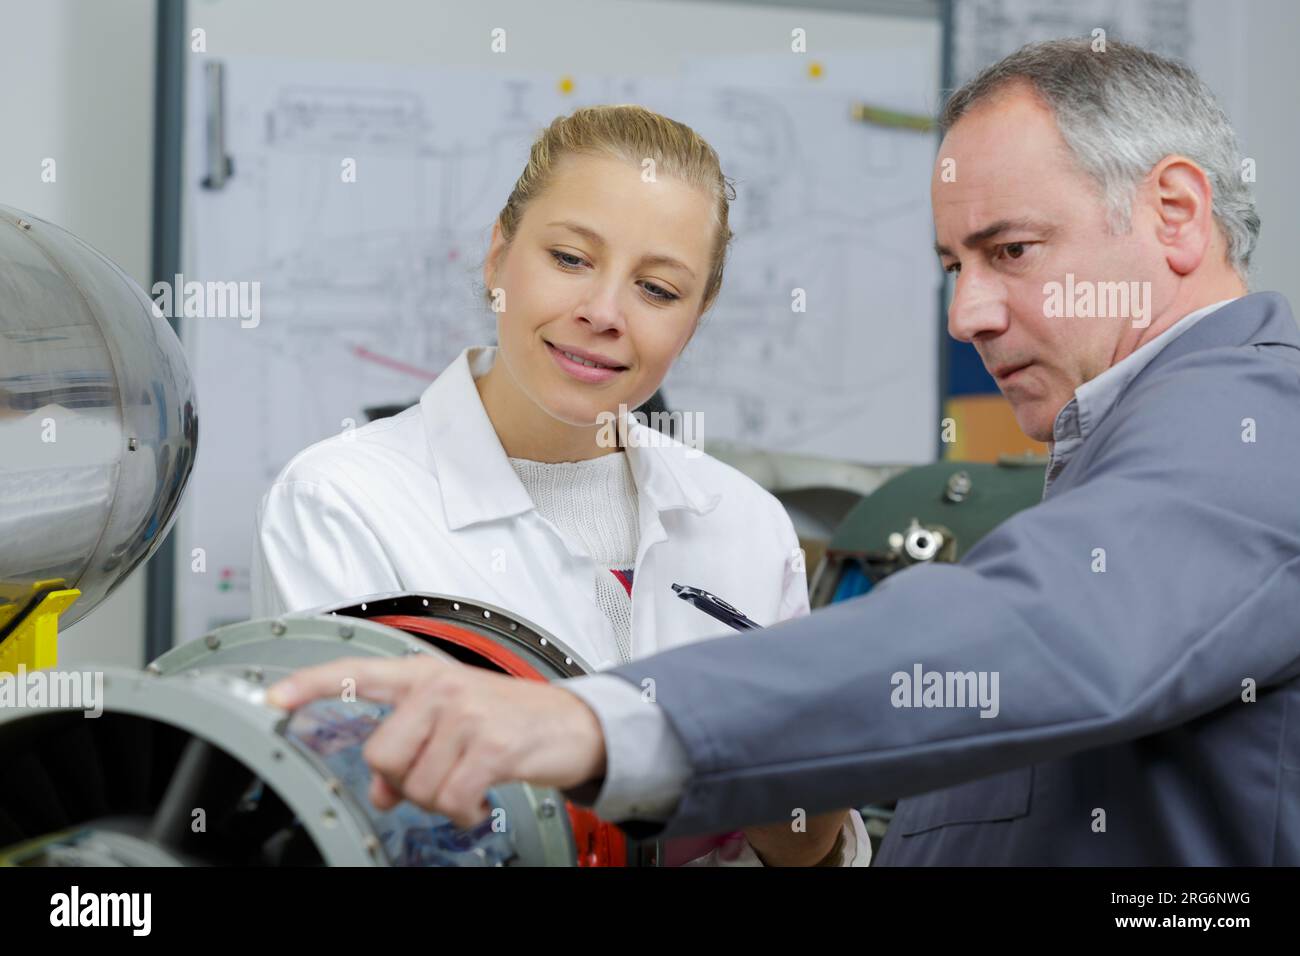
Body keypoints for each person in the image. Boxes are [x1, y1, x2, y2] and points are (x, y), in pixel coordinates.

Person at [269, 39, 1300, 865]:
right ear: (498, 252)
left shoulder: (1262, 419)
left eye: (1009, 252)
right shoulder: (343, 493)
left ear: (1173, 213)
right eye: (953, 264)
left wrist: (595, 726)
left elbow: (1054, 628)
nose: (966, 314)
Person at [251, 104, 869, 866]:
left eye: (658, 289)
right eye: (571, 259)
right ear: (497, 257)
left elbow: (800, 846)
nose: (603, 312)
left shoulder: (746, 521)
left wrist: (810, 798)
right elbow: (365, 831)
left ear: (696, 318)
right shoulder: (342, 501)